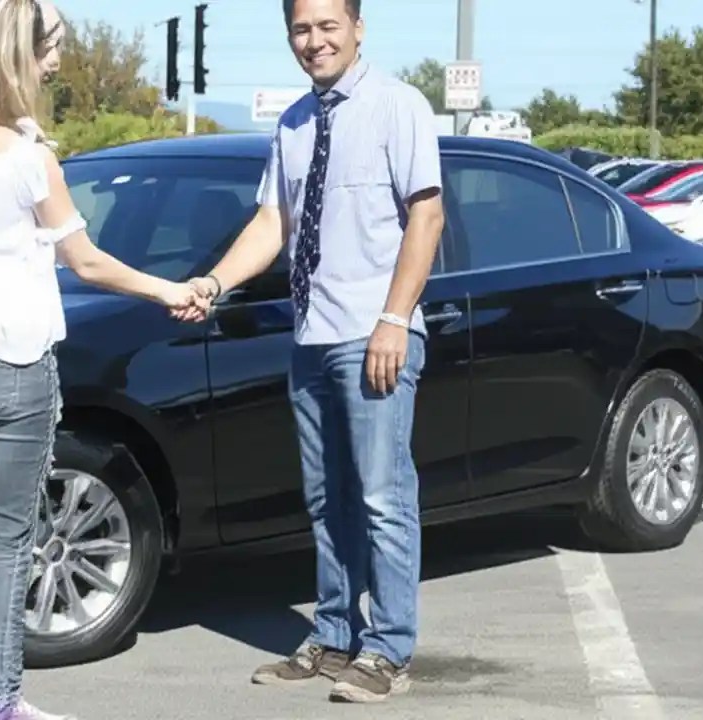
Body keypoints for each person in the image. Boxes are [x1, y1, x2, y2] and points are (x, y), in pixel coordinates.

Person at [0, 1, 199, 719]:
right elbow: (87, 262)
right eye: (54, 47)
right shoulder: (34, 162)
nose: (59, 59)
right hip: (12, 353)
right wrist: (170, 289)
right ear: (23, 54)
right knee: (7, 539)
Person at [176, 0, 445, 705]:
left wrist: (394, 318)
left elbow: (427, 212)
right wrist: (214, 281)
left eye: (328, 26)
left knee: (384, 497)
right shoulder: (294, 123)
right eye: (301, 28)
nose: (314, 40)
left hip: (375, 333)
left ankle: (388, 649)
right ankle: (332, 637)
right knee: (327, 501)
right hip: (312, 335)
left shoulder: (398, 105)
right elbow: (275, 221)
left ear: (358, 27)